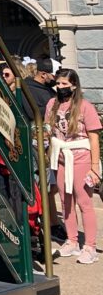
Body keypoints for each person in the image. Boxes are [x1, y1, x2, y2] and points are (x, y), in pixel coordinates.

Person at [45, 69, 101, 265]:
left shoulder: (85, 106)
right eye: (58, 84)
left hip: (80, 156)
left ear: (74, 86)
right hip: (60, 156)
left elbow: (94, 138)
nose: (60, 88)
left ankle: (90, 246)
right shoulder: (52, 104)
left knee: (83, 200)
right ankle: (72, 240)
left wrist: (94, 167)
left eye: (64, 84)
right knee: (65, 199)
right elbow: (48, 129)